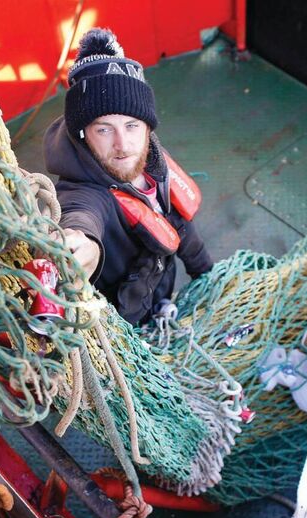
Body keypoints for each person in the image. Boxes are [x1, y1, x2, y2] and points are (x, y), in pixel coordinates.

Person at [44, 27, 213, 324]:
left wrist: (205, 272)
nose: (123, 145)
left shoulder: (151, 159)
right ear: (83, 135)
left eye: (132, 125)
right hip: (125, 317)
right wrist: (82, 246)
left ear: (148, 127)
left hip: (160, 283)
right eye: (104, 129)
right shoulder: (83, 192)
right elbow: (80, 217)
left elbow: (178, 223)